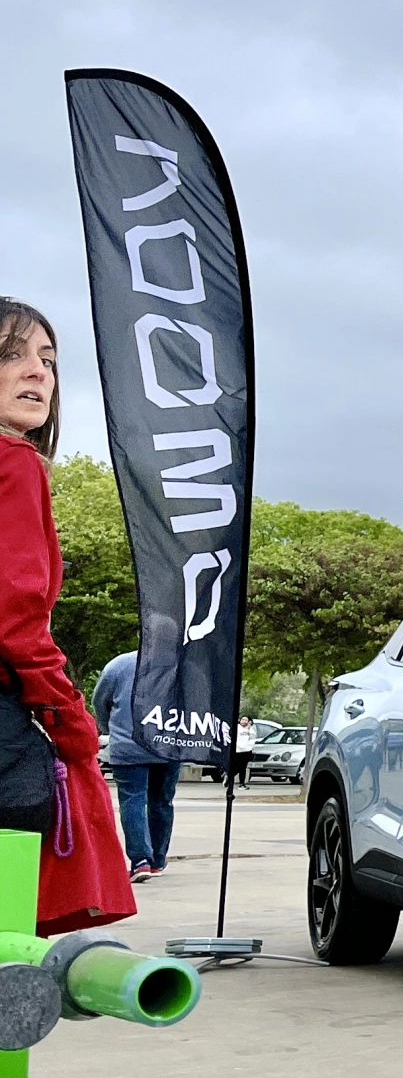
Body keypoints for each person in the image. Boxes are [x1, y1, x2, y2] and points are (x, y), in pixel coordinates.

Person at [0, 299, 135, 933]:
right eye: (12, 355)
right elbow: (16, 611)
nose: (38, 373)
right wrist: (69, 716)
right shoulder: (14, 464)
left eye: (48, 360)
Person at [89, 649, 178, 881]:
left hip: (128, 745)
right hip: (168, 744)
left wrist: (109, 728)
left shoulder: (118, 665)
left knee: (133, 800)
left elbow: (100, 700)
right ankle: (158, 859)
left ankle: (140, 862)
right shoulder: (179, 664)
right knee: (162, 801)